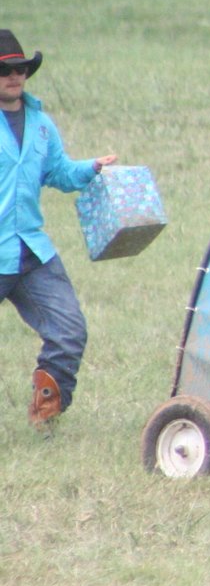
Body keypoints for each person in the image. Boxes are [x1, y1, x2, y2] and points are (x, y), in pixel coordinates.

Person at [1, 30, 118, 429]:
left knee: (69, 331)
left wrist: (92, 168)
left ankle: (45, 415)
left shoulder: (41, 124)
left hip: (31, 251)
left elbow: (60, 173)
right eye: (4, 70)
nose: (14, 76)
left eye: (19, 69)